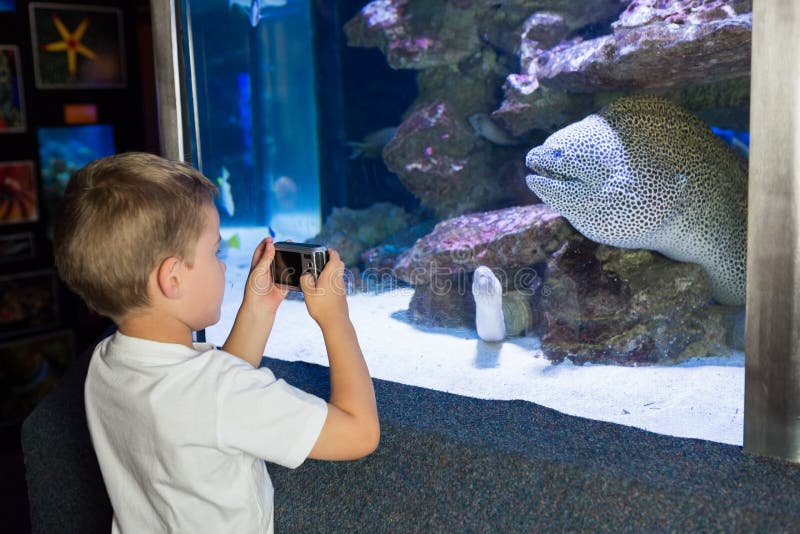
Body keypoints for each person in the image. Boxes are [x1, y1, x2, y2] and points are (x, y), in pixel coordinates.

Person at [53, 152, 379, 533]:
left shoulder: (106, 364)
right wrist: (335, 320)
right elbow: (359, 432)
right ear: (172, 278)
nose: (224, 264)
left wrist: (259, 307)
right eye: (215, 252)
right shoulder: (220, 392)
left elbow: (212, 397)